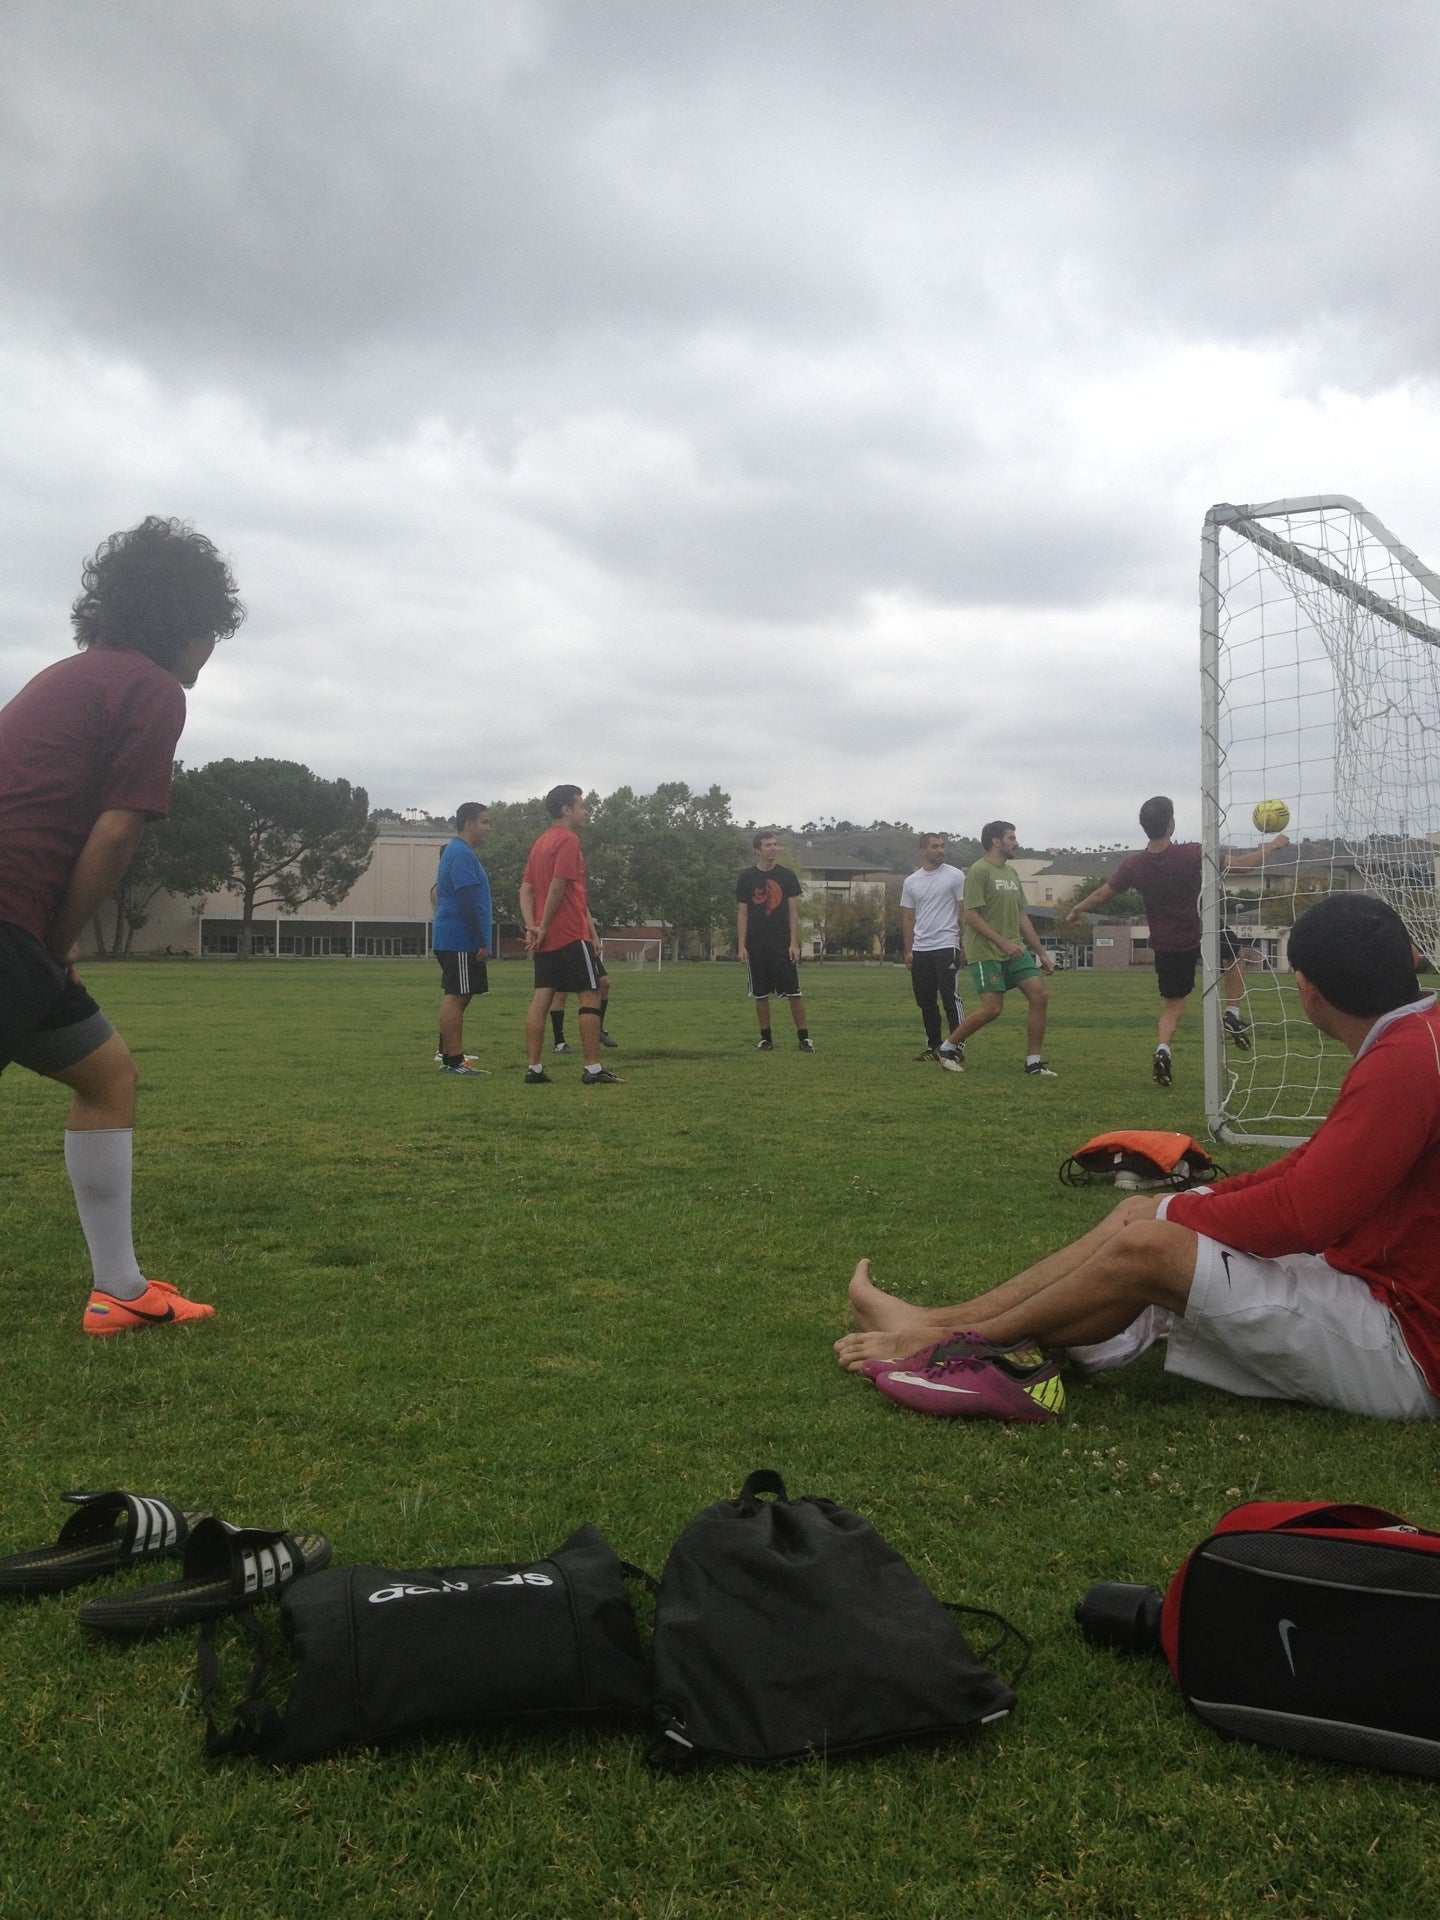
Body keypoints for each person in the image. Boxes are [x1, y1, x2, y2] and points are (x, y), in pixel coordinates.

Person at [837, 894, 1440, 1422]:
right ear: (1410, 958)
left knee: (1148, 1245)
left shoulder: (1407, 1059)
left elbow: (1305, 1213)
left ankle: (947, 1343)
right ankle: (942, 1321)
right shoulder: (1417, 1035)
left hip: (1407, 1342)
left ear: (1306, 990)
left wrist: (1174, 1218)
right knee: (1141, 1218)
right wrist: (1180, 1203)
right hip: (1376, 1295)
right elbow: (1308, 1170)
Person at [0, 516, 244, 1336]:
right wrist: (53, 942)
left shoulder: (71, 676)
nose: (210, 648)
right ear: (178, 623)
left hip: (17, 930)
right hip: (7, 924)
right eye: (209, 628)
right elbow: (115, 833)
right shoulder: (150, 688)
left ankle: (119, 1290)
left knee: (106, 1077)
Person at [1065, 796, 1288, 1086]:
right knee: (1236, 956)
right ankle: (1232, 1012)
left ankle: (1163, 1049)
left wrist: (1077, 909)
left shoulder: (1134, 865)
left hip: (1167, 943)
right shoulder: (1191, 853)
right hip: (1204, 930)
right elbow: (1242, 866)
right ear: (1171, 824)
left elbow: (1101, 895)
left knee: (1174, 1006)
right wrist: (1272, 846)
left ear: (1144, 827)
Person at [519, 786, 619, 1086]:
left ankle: (534, 1069)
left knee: (541, 998)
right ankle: (592, 1068)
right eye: (581, 806)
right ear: (566, 810)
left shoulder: (540, 843)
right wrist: (546, 926)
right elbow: (558, 886)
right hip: (570, 935)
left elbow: (525, 890)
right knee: (590, 994)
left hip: (545, 939)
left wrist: (533, 926)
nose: (585, 811)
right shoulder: (568, 840)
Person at [946, 821, 1056, 1075]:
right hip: (986, 951)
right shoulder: (978, 871)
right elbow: (970, 916)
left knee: (1040, 995)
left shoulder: (1011, 874)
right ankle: (948, 1047)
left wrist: (1041, 953)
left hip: (1015, 950)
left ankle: (1033, 1062)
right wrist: (1002, 943)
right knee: (992, 1009)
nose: (1016, 842)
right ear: (996, 841)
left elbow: (1021, 916)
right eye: (1011, 837)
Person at [736, 833, 813, 1051]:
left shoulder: (787, 876)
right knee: (760, 993)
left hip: (782, 944)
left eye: (775, 845)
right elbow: (742, 914)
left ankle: (804, 1038)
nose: (773, 848)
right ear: (757, 850)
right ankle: (766, 1038)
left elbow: (793, 912)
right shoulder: (746, 878)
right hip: (756, 945)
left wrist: (793, 943)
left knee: (794, 992)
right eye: (768, 845)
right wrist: (741, 946)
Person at [432, 802, 493, 1075]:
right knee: (456, 996)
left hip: (458, 938)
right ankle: (453, 1061)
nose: (488, 828)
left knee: (463, 994)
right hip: (459, 939)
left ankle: (449, 1054)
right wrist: (480, 940)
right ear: (468, 824)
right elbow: (467, 900)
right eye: (484, 822)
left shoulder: (461, 853)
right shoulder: (461, 854)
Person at [900, 832, 965, 1070]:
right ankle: (934, 1046)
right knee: (926, 1000)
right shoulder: (911, 882)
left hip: (947, 944)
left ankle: (955, 1047)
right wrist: (909, 950)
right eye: (935, 846)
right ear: (923, 850)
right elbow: (908, 917)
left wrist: (963, 942)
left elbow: (964, 910)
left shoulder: (955, 876)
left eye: (942, 846)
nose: (941, 850)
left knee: (950, 997)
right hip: (921, 948)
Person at [548, 915, 618, 1054]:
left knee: (604, 982)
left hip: (581, 942)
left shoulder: (577, 894)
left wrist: (594, 936)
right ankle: (559, 1042)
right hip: (559, 942)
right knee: (560, 992)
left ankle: (598, 1030)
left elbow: (584, 910)